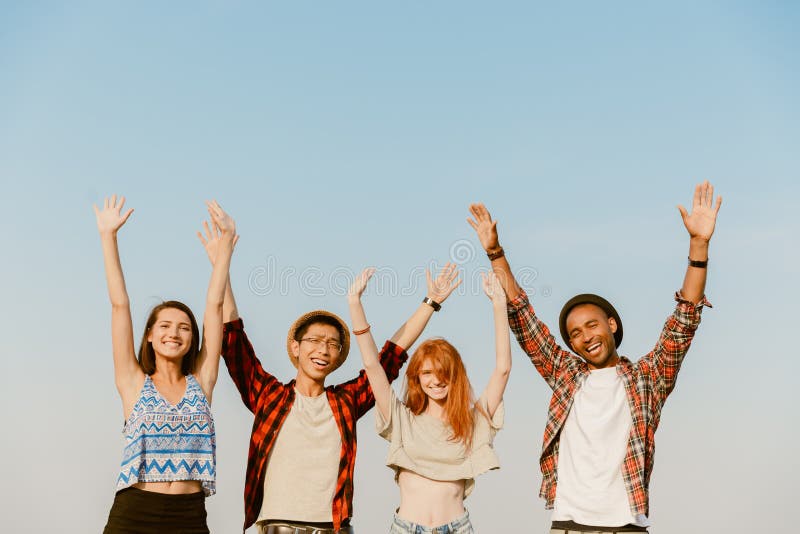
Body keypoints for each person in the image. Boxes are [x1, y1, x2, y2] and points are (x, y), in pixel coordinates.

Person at [466, 181, 721, 533]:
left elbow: (684, 320)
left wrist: (698, 245)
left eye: (591, 325)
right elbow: (522, 316)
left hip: (628, 524)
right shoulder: (565, 373)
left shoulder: (648, 377)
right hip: (570, 523)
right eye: (575, 333)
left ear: (611, 325)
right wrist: (495, 253)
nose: (586, 336)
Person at [214, 245, 460, 534]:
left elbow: (391, 356)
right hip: (278, 527)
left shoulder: (346, 401)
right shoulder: (269, 396)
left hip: (334, 528)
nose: (323, 349)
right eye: (315, 340)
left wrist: (430, 302)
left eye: (332, 344)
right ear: (296, 347)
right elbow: (233, 337)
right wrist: (222, 264)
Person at [96, 195, 236, 534]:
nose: (174, 333)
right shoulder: (133, 382)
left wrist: (226, 248)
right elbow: (119, 305)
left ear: (193, 339)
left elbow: (215, 306)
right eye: (165, 326)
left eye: (184, 327)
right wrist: (108, 236)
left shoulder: (202, 381)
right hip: (135, 512)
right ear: (148, 335)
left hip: (188, 515)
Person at [348, 265, 511, 534]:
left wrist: (498, 306)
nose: (435, 381)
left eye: (443, 372)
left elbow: (503, 369)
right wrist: (355, 304)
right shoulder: (402, 419)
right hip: (406, 528)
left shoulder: (472, 422)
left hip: (457, 527)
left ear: (454, 376)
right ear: (417, 378)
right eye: (427, 373)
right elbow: (373, 366)